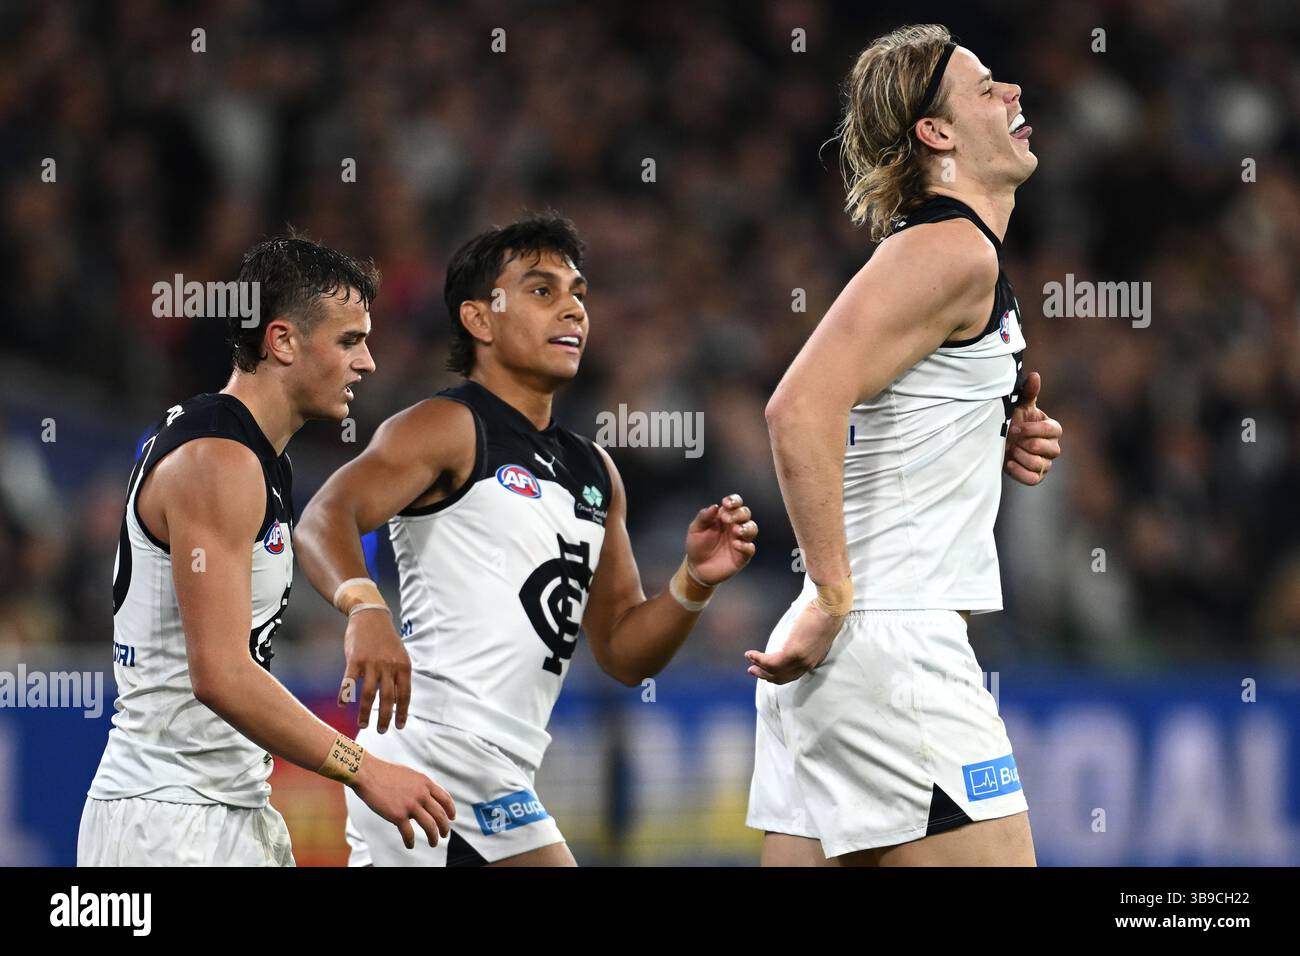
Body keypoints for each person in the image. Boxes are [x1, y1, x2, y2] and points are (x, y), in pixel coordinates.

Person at [295, 212, 758, 866]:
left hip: (503, 773)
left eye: (578, 294)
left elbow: (624, 653)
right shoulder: (446, 426)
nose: (572, 309)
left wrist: (694, 581)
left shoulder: (596, 472)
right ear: (480, 320)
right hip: (430, 747)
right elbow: (323, 518)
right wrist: (366, 607)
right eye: (543, 291)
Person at [746, 24, 1063, 866]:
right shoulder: (952, 249)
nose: (1013, 94)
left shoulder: (951, 252)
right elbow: (798, 408)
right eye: (987, 86)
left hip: (845, 665)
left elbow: (886, 411)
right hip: (889, 644)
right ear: (938, 133)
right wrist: (833, 593)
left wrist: (992, 434)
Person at [79, 235, 455, 866]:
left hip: (220, 809)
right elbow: (220, 674)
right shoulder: (216, 460)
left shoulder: (250, 455)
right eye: (349, 340)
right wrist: (364, 769)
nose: (367, 363)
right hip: (168, 823)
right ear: (282, 341)